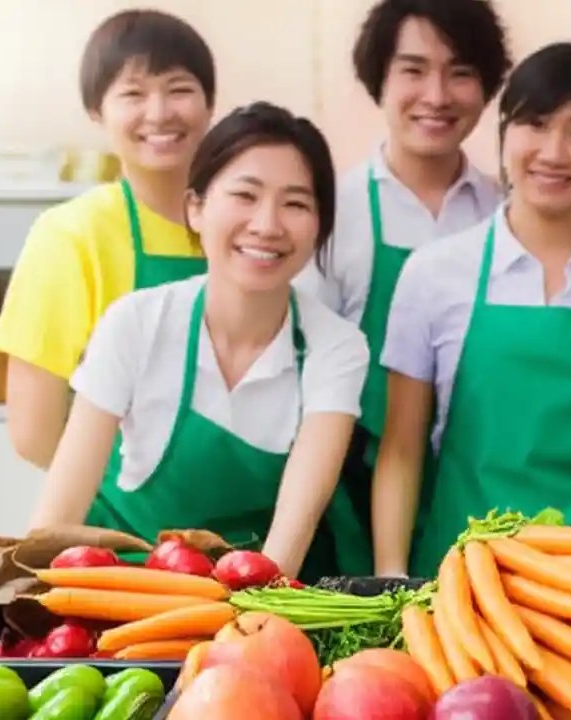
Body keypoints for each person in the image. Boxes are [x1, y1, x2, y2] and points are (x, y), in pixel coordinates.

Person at [372, 43, 571, 578]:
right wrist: (392, 576)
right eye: (534, 125)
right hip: (461, 579)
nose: (554, 152)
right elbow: (401, 450)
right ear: (504, 137)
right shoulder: (434, 272)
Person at [28, 103, 370, 582]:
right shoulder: (136, 323)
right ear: (196, 208)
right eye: (245, 195)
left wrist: (240, 631)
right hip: (119, 593)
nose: (267, 224)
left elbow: (297, 520)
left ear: (319, 226)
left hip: (255, 594)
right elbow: (56, 517)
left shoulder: (334, 347)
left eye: (295, 203)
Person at [293, 0, 511, 575]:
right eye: (413, 70)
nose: (436, 95)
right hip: (354, 494)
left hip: (479, 492)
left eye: (460, 72)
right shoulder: (331, 214)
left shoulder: (507, 212)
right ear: (379, 80)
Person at [0, 10, 218, 471]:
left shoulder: (244, 227)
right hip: (117, 531)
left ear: (209, 103)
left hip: (247, 520)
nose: (158, 113)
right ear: (97, 111)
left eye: (179, 89)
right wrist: (126, 506)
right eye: (133, 93)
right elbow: (33, 432)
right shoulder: (72, 236)